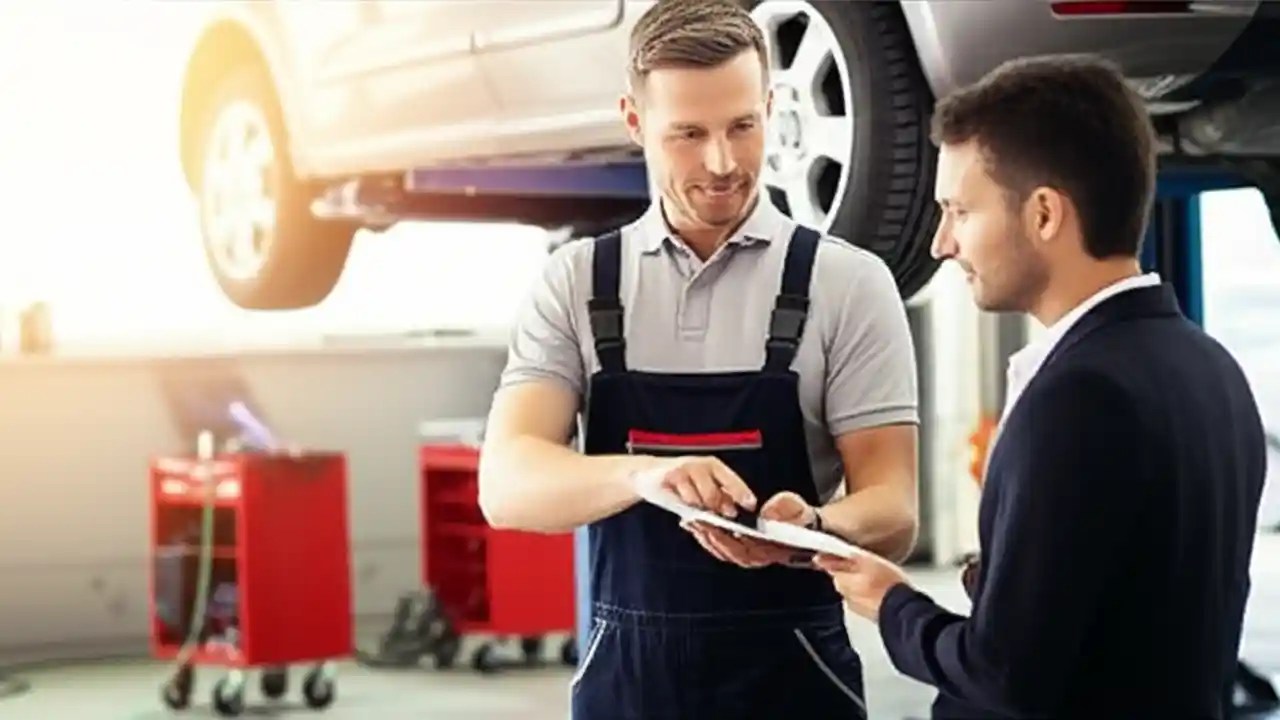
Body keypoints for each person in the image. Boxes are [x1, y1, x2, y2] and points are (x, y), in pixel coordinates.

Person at [477, 0, 920, 717]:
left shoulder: (849, 283)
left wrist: (808, 528)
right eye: (687, 134)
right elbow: (506, 486)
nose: (722, 163)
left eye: (743, 126)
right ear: (634, 122)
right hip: (628, 685)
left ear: (771, 105)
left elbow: (894, 510)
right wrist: (646, 475)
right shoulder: (580, 283)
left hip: (794, 680)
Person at [814, 54, 1269, 719]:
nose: (942, 242)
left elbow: (1006, 676)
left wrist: (892, 605)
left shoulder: (1079, 399)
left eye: (959, 211)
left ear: (1045, 214)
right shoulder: (1213, 369)